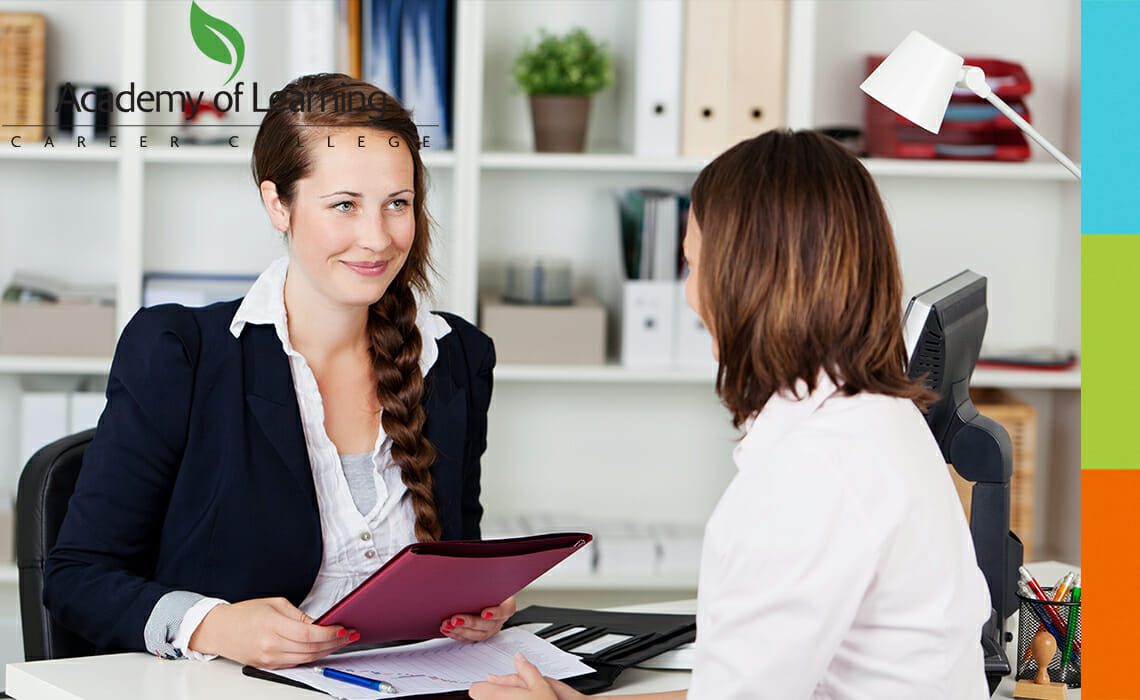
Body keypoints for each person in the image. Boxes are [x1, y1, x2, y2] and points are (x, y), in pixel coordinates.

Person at [469, 129, 992, 699]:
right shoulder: (881, 418)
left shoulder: (807, 476)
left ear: (744, 280)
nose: (689, 295)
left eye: (693, 266)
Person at [43, 73, 513, 670]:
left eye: (397, 204)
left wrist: (477, 603)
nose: (377, 238)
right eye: (344, 205)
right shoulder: (180, 352)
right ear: (277, 204)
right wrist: (212, 625)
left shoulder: (456, 356)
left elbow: (457, 556)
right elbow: (76, 577)